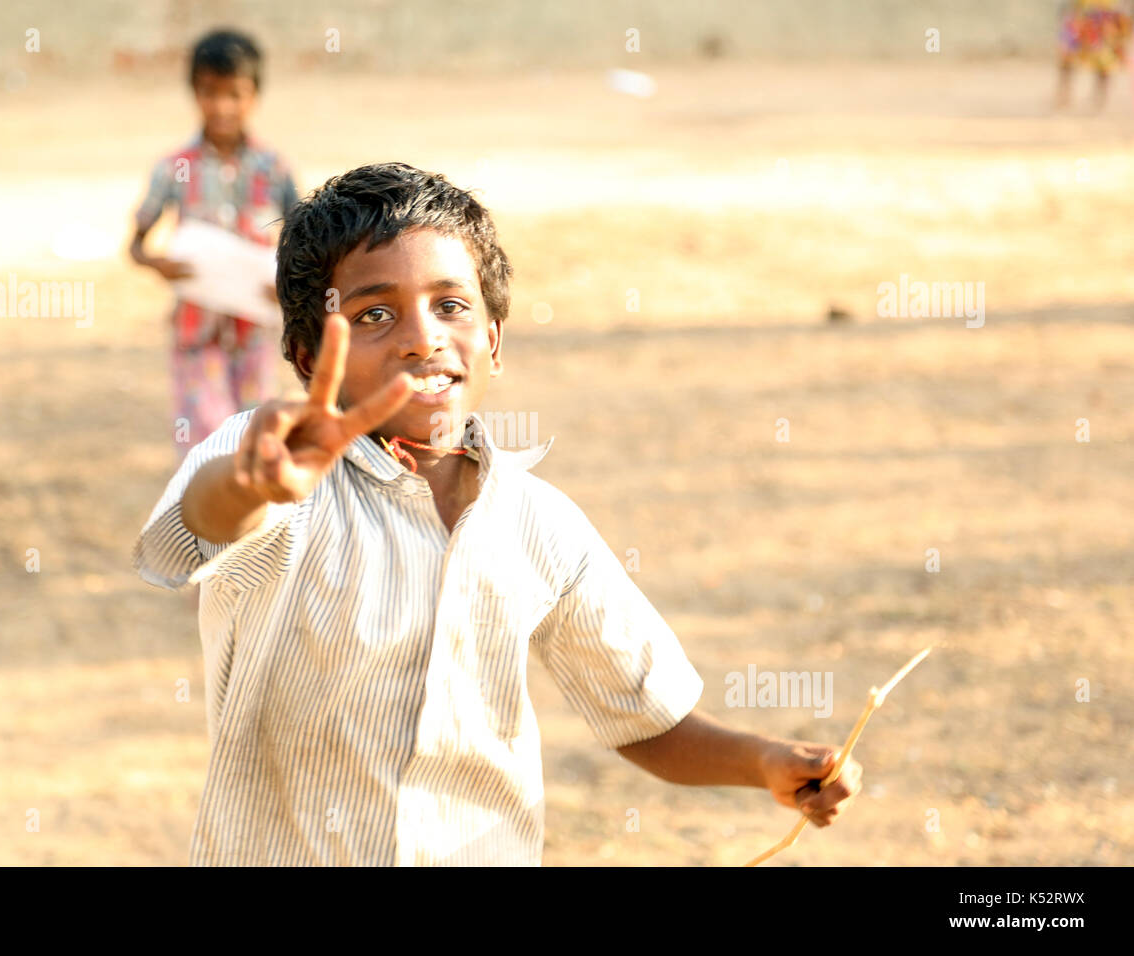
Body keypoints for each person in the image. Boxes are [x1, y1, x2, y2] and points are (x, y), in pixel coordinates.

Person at [132, 162, 862, 866]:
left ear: (493, 339)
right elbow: (205, 523)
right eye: (374, 314)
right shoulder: (276, 462)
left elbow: (646, 718)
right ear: (303, 352)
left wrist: (766, 762)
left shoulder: (537, 522)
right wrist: (253, 484)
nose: (424, 337)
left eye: (451, 306)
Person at [130, 28, 299, 460]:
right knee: (204, 439)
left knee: (255, 435)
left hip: (256, 331)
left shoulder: (274, 168)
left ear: (255, 95)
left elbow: (303, 240)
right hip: (195, 330)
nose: (222, 106)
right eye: (210, 93)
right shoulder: (175, 168)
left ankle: (248, 528)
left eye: (235, 94)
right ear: (194, 93)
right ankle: (202, 524)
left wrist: (287, 285)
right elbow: (136, 245)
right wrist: (158, 264)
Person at [1055, 0, 1133, 111]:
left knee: (1105, 57)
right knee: (1068, 52)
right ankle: (1063, 94)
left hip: (1107, 12)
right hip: (1081, 10)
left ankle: (1099, 99)